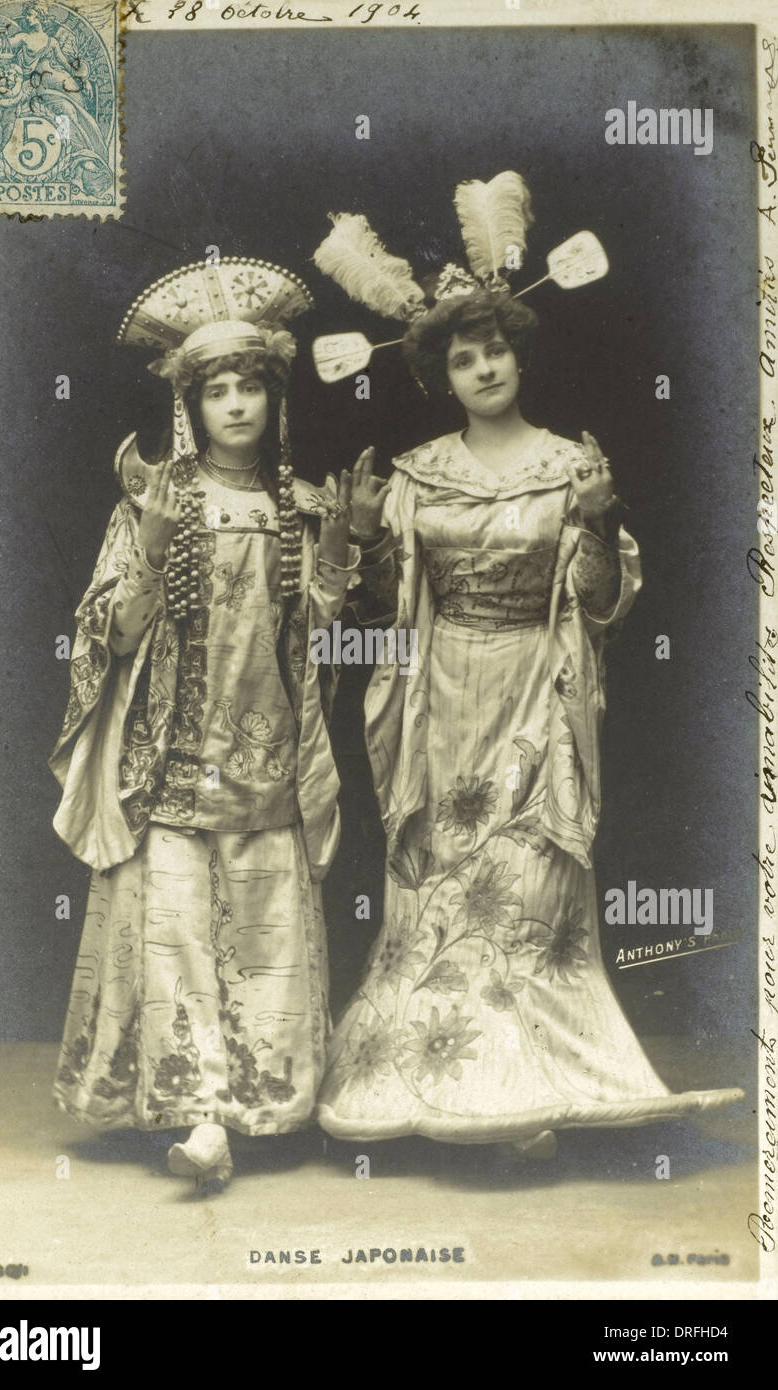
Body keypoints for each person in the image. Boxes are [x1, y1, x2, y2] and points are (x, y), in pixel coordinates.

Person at [312, 180, 743, 1148]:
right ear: (440, 376)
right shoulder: (418, 473)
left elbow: (599, 607)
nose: (482, 366)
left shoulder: (567, 464)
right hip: (443, 698)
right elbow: (381, 603)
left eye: (494, 347)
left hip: (537, 698)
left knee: (529, 887)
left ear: (519, 352)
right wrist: (358, 533)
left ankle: (528, 1090)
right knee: (441, 888)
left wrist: (594, 519)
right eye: (462, 357)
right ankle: (444, 1078)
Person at [49, 258, 357, 1188]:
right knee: (175, 934)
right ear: (189, 405)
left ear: (274, 400)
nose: (235, 406)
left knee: (262, 932)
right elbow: (111, 632)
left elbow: (322, 644)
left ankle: (268, 1104)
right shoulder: (156, 505)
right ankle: (202, 1118)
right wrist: (147, 544)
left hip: (268, 763)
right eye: (216, 390)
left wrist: (338, 559)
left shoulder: (299, 508)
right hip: (171, 762)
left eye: (250, 387)